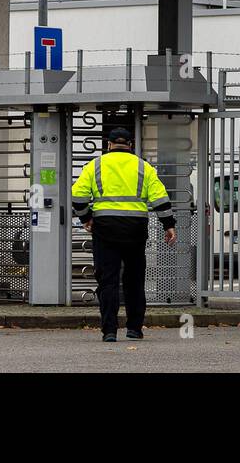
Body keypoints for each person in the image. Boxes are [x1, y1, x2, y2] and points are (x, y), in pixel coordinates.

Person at [72, 126, 177, 342]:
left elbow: (78, 196)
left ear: (109, 145)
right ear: (130, 145)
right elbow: (160, 198)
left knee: (108, 281)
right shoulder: (143, 167)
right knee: (134, 280)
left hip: (105, 229)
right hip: (135, 230)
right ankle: (134, 329)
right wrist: (169, 225)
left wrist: (86, 218)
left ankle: (109, 331)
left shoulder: (95, 165)